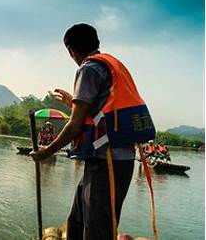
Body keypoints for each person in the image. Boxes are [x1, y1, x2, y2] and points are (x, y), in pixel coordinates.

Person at [30, 23, 155, 239]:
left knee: (97, 230)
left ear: (71, 51)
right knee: (76, 221)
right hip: (115, 160)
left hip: (106, 163)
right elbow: (103, 115)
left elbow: (75, 126)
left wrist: (45, 152)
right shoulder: (112, 66)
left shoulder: (88, 69)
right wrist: (74, 104)